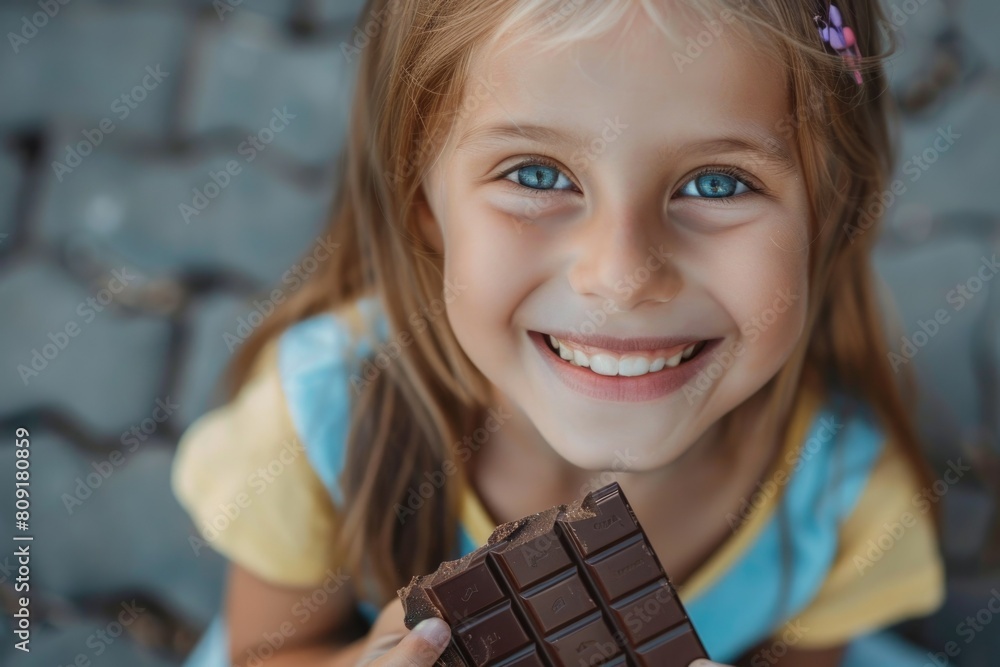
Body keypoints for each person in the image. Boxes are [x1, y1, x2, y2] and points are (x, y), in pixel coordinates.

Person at [171, 1, 946, 665]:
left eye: (717, 183)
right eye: (537, 174)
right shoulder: (323, 423)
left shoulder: (838, 500)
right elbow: (265, 650)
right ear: (423, 202)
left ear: (832, 213)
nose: (621, 275)